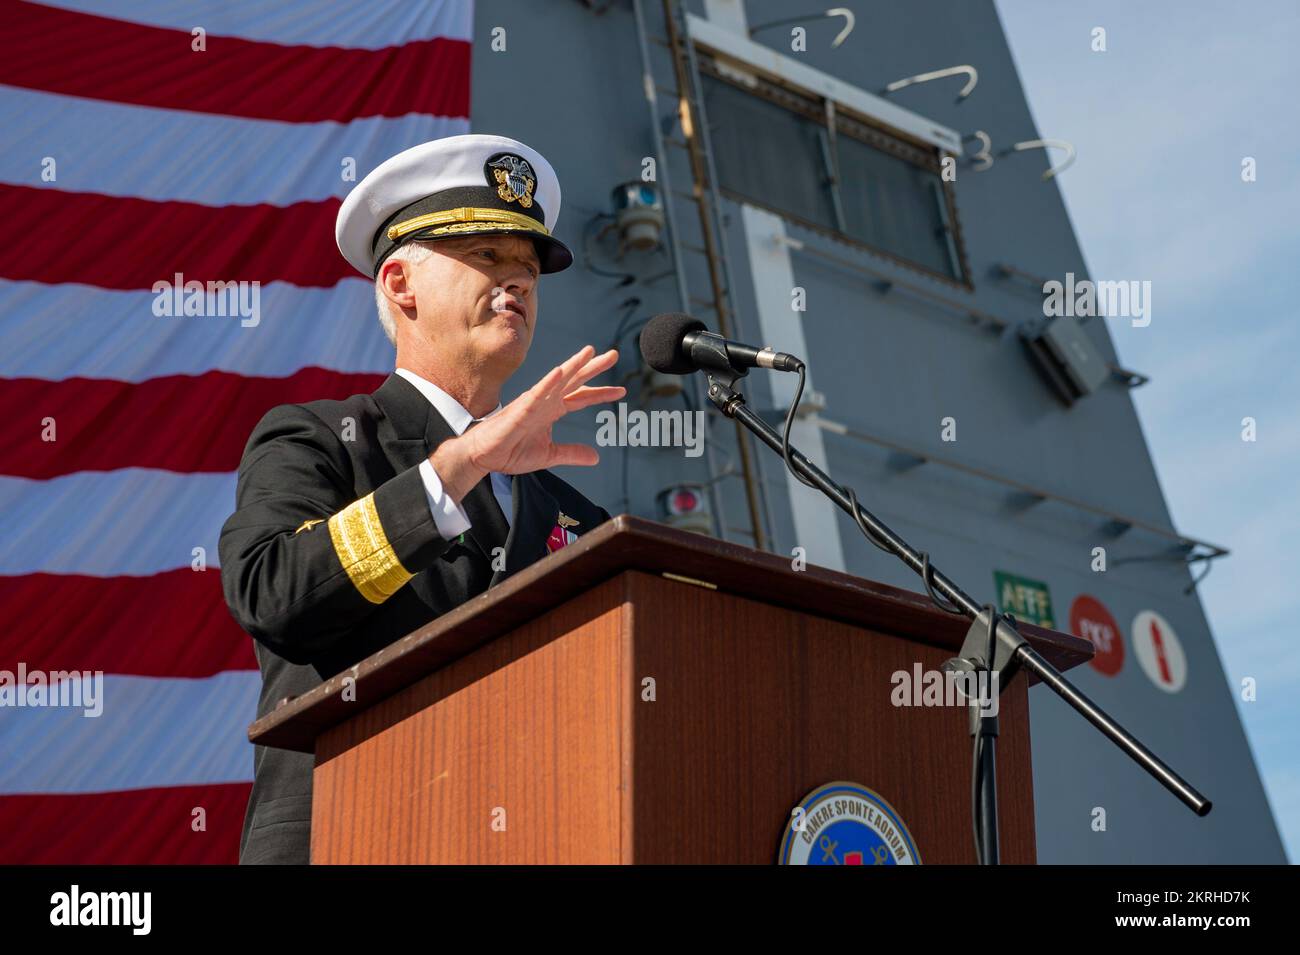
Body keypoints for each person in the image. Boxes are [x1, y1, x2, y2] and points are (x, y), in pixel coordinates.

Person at [219, 134, 624, 864]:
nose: (518, 279)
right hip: (350, 835)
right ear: (401, 283)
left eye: (529, 268)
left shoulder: (577, 517)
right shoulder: (322, 440)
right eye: (488, 254)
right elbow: (273, 593)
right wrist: (456, 468)